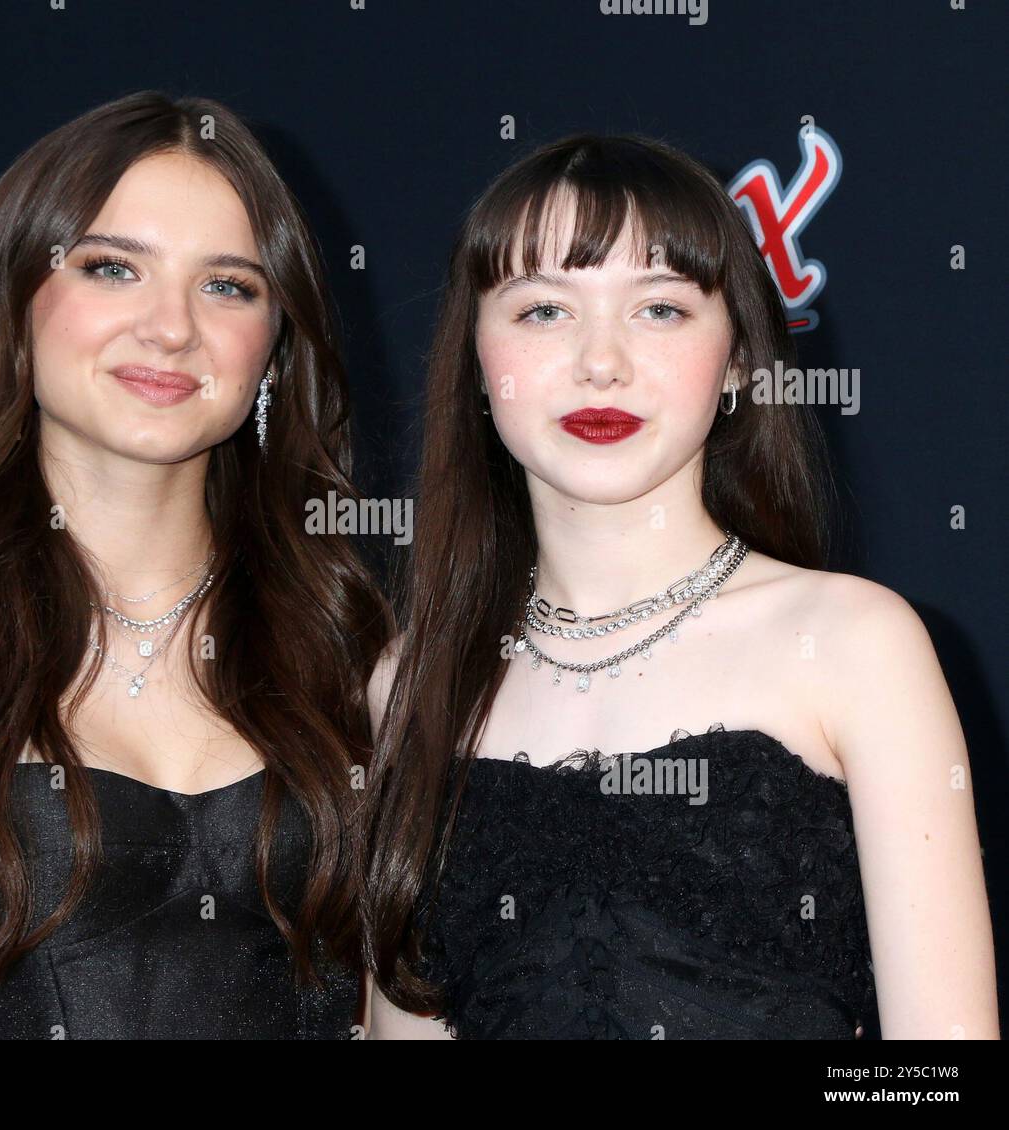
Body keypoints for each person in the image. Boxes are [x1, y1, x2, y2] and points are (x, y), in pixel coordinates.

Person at [0, 91, 390, 1039]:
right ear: (15, 300)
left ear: (275, 345)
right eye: (112, 268)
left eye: (228, 285)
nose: (171, 327)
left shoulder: (368, 661)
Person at [362, 132, 999, 1039]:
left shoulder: (855, 644)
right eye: (543, 310)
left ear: (738, 358)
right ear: (474, 360)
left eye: (660, 310)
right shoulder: (410, 682)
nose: (601, 361)